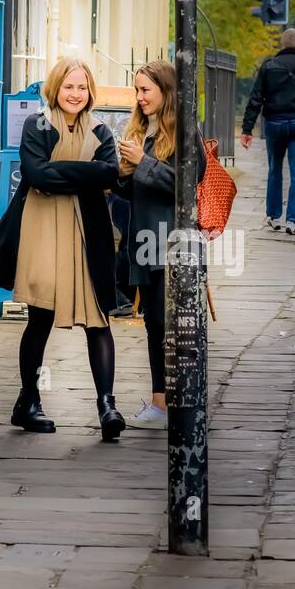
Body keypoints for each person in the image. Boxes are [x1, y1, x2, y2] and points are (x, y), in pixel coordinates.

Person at [0, 56, 125, 442]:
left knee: (99, 317)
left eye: (82, 87)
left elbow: (110, 172)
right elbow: (35, 174)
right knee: (40, 315)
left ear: (90, 92)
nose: (75, 93)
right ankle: (28, 400)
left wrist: (58, 175)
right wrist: (85, 175)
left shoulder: (101, 130)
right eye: (69, 86)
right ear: (57, 88)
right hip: (41, 227)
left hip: (88, 231)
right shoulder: (37, 124)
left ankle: (107, 405)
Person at [114, 60, 206, 431]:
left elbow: (186, 184)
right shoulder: (141, 130)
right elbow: (131, 191)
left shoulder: (185, 131)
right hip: (144, 242)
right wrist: (123, 173)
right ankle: (161, 402)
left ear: (166, 91)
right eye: (136, 90)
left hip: (173, 244)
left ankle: (177, 402)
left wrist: (143, 163)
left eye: (145, 90)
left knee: (173, 326)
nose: (139, 98)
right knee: (154, 323)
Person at [241, 27, 295, 235]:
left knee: (275, 170)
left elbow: (255, 98)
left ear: (282, 44)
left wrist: (247, 128)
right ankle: (293, 221)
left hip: (275, 124)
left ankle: (274, 216)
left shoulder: (269, 67)